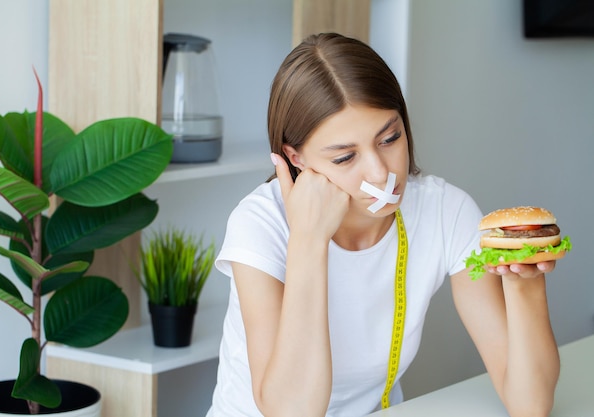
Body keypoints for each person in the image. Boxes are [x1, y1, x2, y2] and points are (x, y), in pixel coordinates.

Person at [205, 33, 559, 417]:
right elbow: (291, 412)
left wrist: (525, 281)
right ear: (296, 158)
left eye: (390, 138)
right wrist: (308, 240)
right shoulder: (260, 224)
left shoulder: (445, 211)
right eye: (344, 158)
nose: (380, 172)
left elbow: (532, 406)